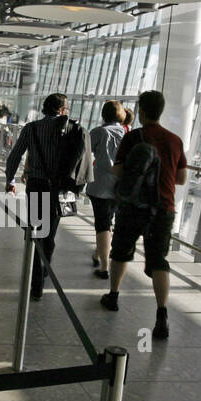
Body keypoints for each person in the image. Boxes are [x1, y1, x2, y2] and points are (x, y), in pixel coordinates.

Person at [100, 90, 187, 341]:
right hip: (163, 207)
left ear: (141, 110)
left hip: (133, 206)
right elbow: (180, 179)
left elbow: (117, 171)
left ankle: (113, 296)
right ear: (160, 110)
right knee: (159, 260)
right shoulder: (175, 140)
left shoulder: (134, 137)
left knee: (122, 251)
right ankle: (161, 314)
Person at [5, 93, 73, 301]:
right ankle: (41, 274)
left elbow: (15, 155)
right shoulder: (69, 130)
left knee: (37, 231)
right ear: (61, 110)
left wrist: (11, 180)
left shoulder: (31, 128)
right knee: (50, 234)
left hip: (35, 185)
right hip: (59, 189)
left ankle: (37, 281)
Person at [86, 100, 126, 279]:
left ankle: (104, 267)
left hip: (100, 183)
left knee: (102, 224)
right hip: (119, 186)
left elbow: (85, 152)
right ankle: (98, 253)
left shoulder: (99, 132)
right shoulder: (127, 133)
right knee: (108, 221)